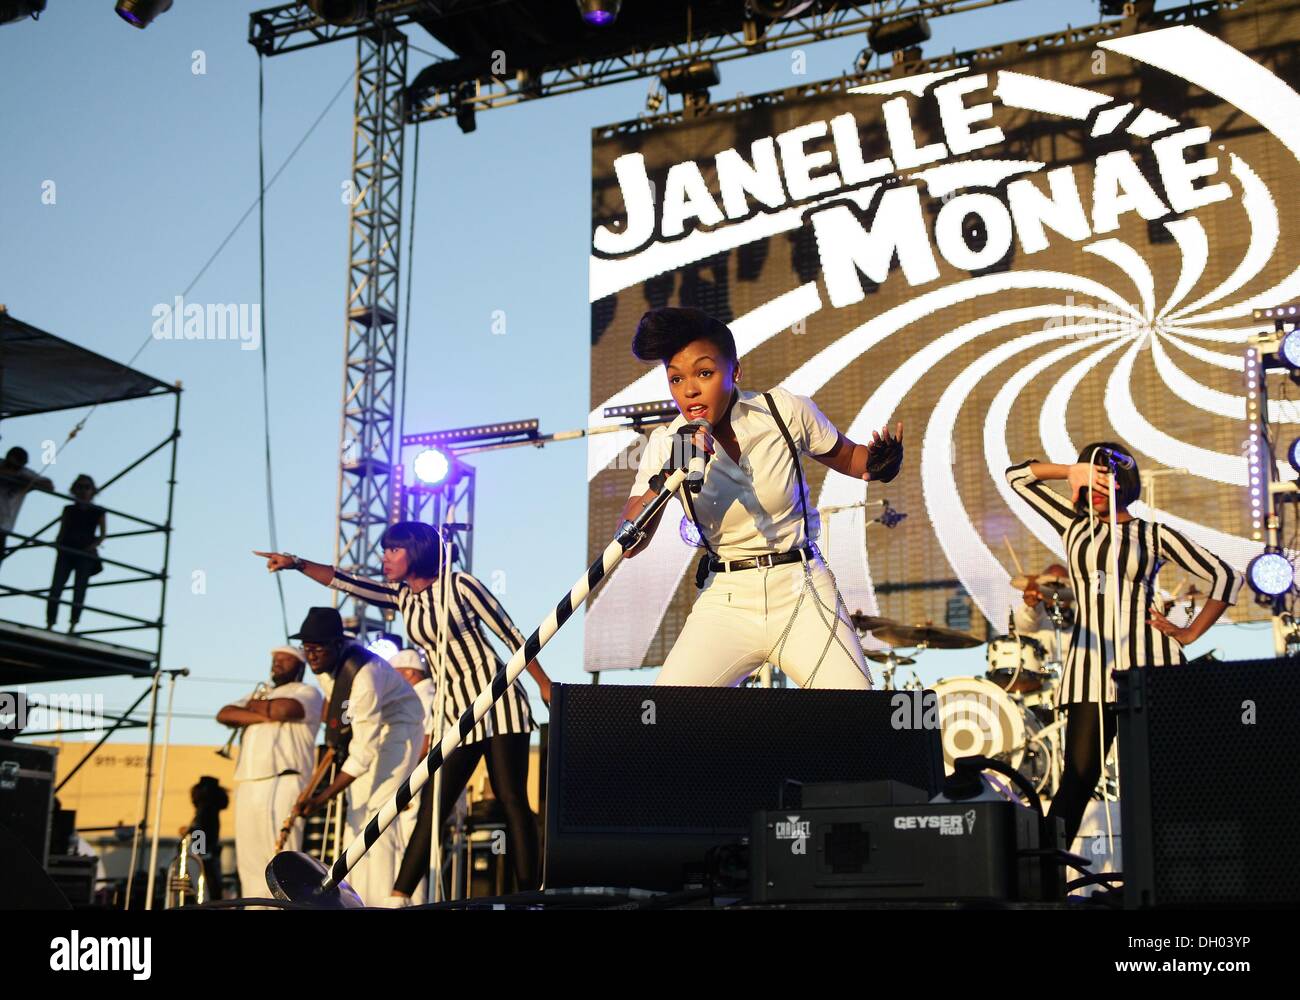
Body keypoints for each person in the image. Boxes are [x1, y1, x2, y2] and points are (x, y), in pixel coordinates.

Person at [255, 523, 551, 897]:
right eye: (384, 550)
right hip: (457, 712)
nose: (385, 558)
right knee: (432, 803)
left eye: (393, 550)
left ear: (417, 551)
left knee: (511, 800)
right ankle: (400, 896)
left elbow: (510, 633)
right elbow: (345, 581)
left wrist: (543, 682)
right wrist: (296, 563)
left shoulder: (461, 586)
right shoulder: (402, 597)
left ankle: (530, 894)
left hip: (498, 700)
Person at [619, 307, 903, 689]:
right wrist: (668, 476)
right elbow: (628, 543)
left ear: (734, 371)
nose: (689, 390)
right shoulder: (665, 445)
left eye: (704, 373)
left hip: (801, 588)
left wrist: (881, 461)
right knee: (666, 722)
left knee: (855, 721)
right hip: (727, 598)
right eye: (675, 379)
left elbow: (854, 459)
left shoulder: (783, 410)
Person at [1005, 442, 1242, 844]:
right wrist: (1070, 472)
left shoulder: (1152, 534)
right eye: (1088, 480)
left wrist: (1188, 633)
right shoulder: (1072, 523)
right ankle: (1044, 885)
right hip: (1089, 670)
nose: (1094, 488)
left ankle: (1161, 881)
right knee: (1077, 782)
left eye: (1103, 478)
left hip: (1151, 668)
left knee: (1157, 781)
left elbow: (1226, 576)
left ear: (1123, 482)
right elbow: (1017, 477)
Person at [288, 607, 423, 907]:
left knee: (378, 814)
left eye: (318, 648)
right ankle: (356, 899)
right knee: (357, 815)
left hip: (399, 727)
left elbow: (363, 753)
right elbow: (343, 717)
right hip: (371, 730)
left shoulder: (365, 676)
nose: (311, 655)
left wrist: (322, 797)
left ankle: (382, 901)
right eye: (306, 648)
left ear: (337, 644)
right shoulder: (327, 668)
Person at [216, 646, 323, 901]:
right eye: (275, 660)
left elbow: (286, 710)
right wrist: (265, 714)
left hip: (285, 778)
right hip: (249, 780)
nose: (277, 664)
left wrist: (254, 709)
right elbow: (225, 713)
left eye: (284, 660)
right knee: (249, 860)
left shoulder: (307, 691)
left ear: (299, 665)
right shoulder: (264, 694)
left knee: (281, 857)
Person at [46, 474, 106, 633]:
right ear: (74, 490)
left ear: (93, 490)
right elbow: (62, 530)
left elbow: (102, 535)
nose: (83, 490)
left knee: (79, 590)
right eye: (80, 487)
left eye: (86, 487)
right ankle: (50, 623)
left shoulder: (98, 511)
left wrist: (91, 546)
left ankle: (73, 624)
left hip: (85, 554)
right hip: (66, 550)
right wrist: (58, 544)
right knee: (56, 588)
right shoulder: (69, 509)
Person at [0, 446, 53, 572]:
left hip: (3, 527)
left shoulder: (24, 473)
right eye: (10, 464)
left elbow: (49, 485)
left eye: (16, 465)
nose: (13, 468)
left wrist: (28, 482)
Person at [1013, 562, 1074, 662]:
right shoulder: (1035, 613)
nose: (1057, 592)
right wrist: (1032, 605)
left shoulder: (1081, 619)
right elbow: (1024, 622)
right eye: (1051, 586)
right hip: (1039, 675)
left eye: (1063, 587)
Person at [183, 776, 230, 900]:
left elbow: (200, 835)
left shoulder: (205, 811)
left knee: (205, 894)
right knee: (207, 894)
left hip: (203, 857)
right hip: (206, 856)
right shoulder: (209, 812)